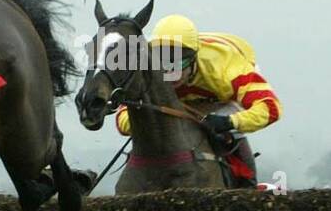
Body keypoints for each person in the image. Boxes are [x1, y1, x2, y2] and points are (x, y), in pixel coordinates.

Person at [116, 15, 282, 185]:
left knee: (231, 131)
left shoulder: (225, 68)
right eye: (164, 65)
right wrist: (155, 122)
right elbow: (122, 118)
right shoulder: (148, 67)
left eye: (180, 64)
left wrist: (230, 122)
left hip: (221, 100)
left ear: (194, 58)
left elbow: (271, 107)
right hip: (175, 105)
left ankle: (248, 184)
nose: (171, 74)